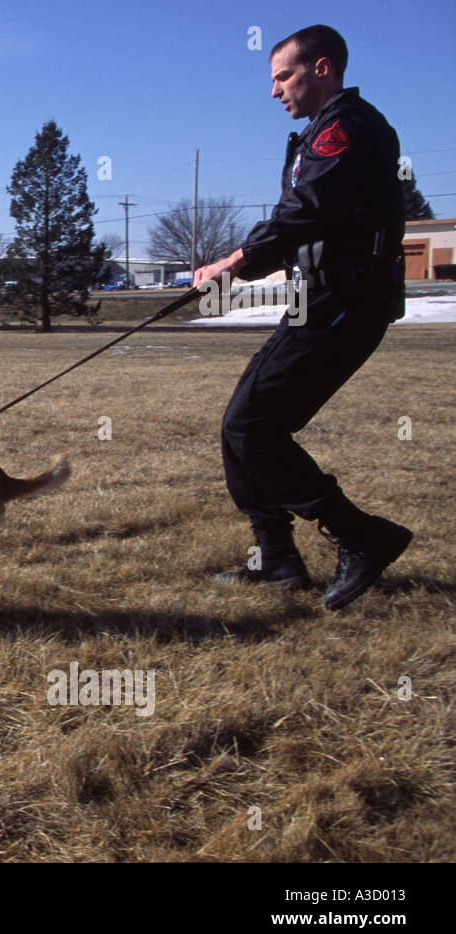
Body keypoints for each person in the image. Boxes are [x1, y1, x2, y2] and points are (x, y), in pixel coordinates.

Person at [193, 24, 410, 610]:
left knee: (252, 426)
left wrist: (233, 263)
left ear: (321, 70)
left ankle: (363, 538)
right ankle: (277, 561)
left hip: (348, 304)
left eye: (282, 76)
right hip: (320, 302)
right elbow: (305, 217)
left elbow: (307, 210)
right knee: (241, 426)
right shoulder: (320, 131)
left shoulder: (348, 127)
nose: (274, 92)